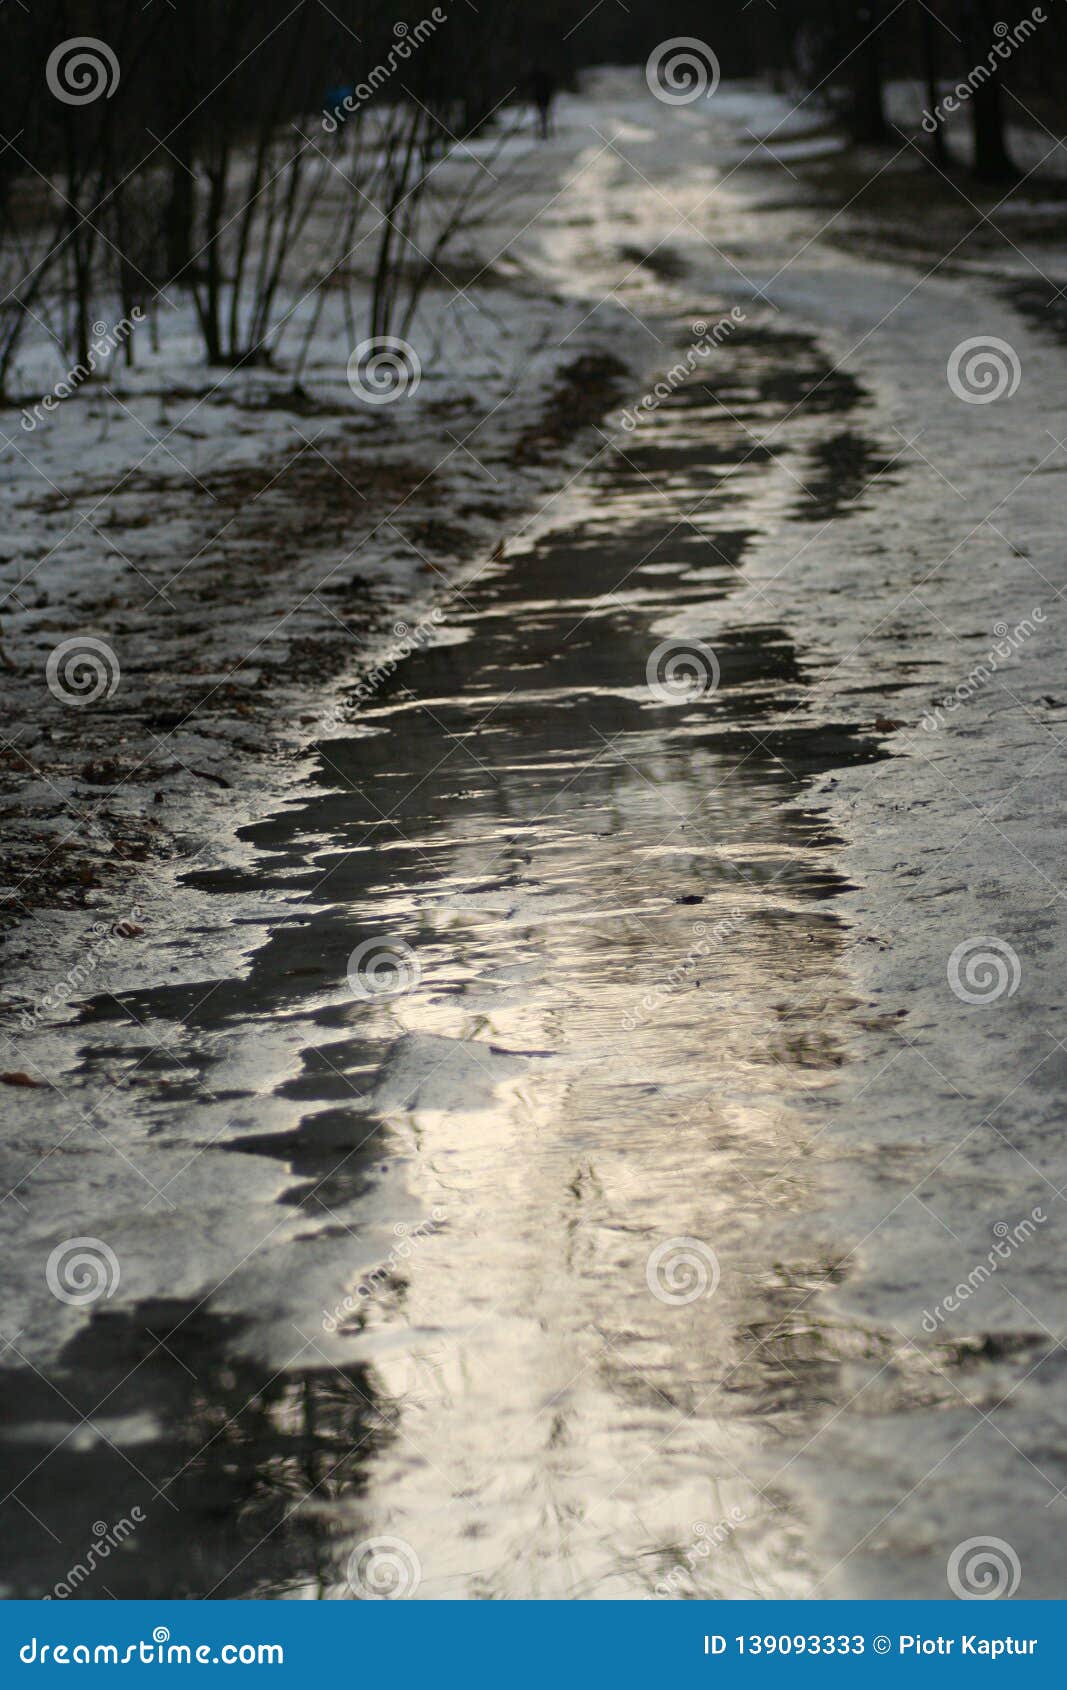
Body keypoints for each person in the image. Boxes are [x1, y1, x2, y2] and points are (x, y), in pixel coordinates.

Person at [527, 68, 556, 140]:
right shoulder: (545, 82)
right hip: (543, 100)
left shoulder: (538, 82)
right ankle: (543, 132)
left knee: (542, 116)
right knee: (543, 116)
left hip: (542, 100)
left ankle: (543, 132)